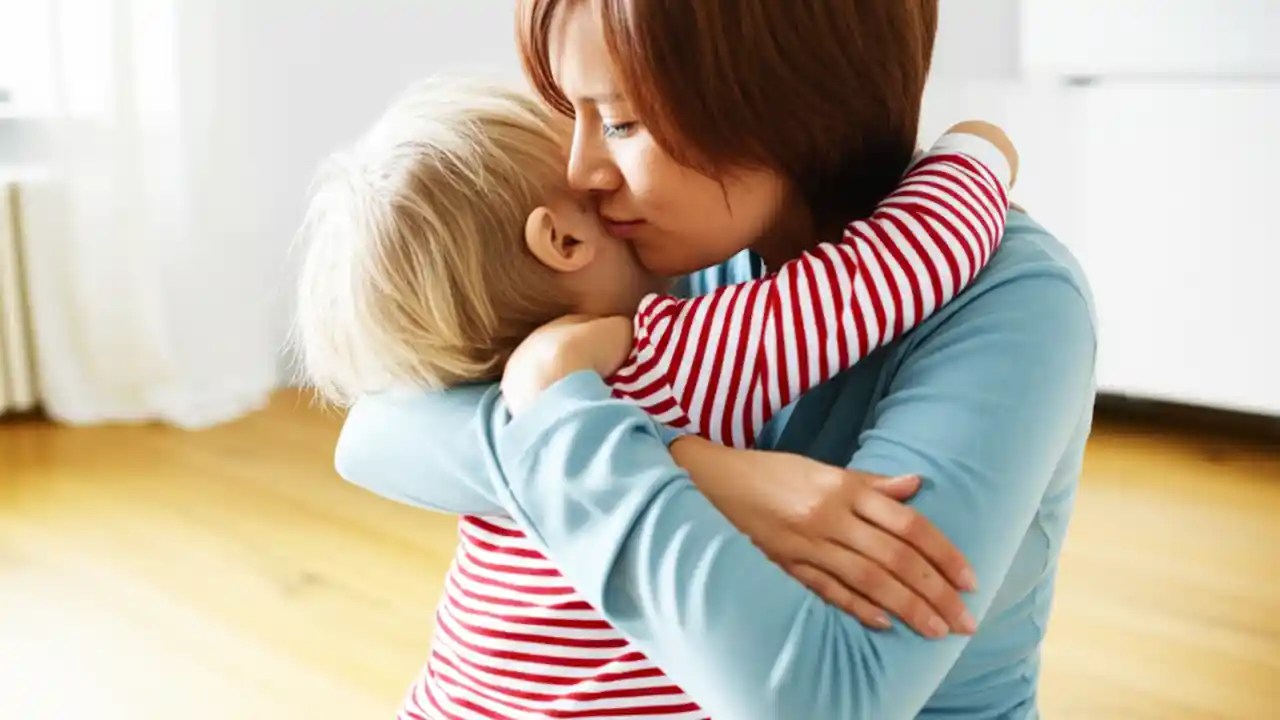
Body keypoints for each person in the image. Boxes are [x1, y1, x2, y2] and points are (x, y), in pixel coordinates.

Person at [334, 0, 1097, 717]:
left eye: (623, 122)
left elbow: (830, 697)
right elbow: (370, 438)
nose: (580, 170)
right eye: (571, 113)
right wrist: (703, 470)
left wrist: (575, 424)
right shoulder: (658, 272)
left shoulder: (1016, 304)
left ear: (790, 95)